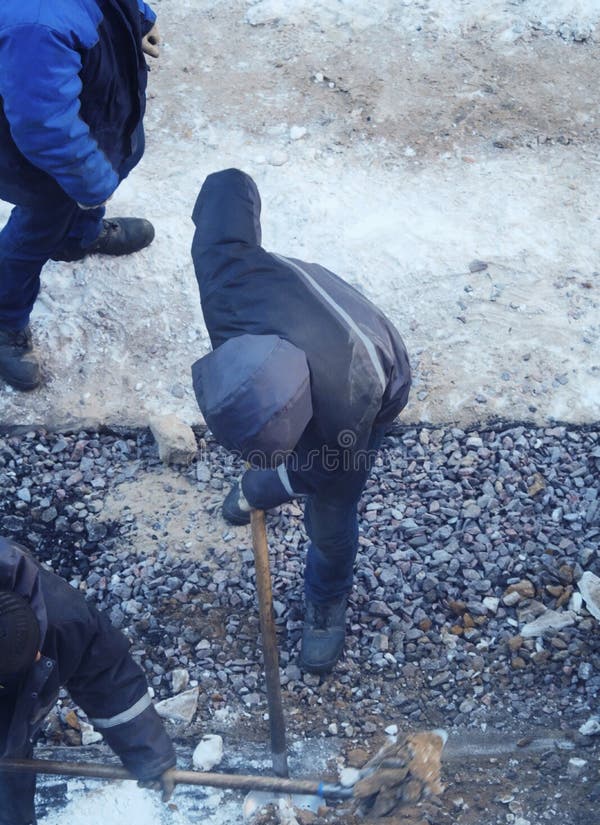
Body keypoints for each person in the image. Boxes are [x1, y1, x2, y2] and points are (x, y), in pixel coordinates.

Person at [190, 168, 411, 676]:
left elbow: (322, 470)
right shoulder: (227, 281)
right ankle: (265, 481)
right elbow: (228, 186)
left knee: (331, 518)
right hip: (314, 314)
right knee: (311, 470)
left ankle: (327, 599)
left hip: (381, 366)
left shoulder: (347, 418)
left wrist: (274, 481)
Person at [0, 536, 176, 825]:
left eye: (35, 656)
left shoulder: (64, 618)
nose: (38, 662)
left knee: (11, 755)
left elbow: (109, 681)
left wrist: (151, 756)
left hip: (11, 722)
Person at [0, 0, 162, 391]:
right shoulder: (36, 23)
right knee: (36, 229)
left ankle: (79, 238)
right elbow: (45, 127)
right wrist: (90, 187)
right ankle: (4, 320)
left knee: (96, 174)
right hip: (47, 166)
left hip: (98, 122)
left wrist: (141, 18)